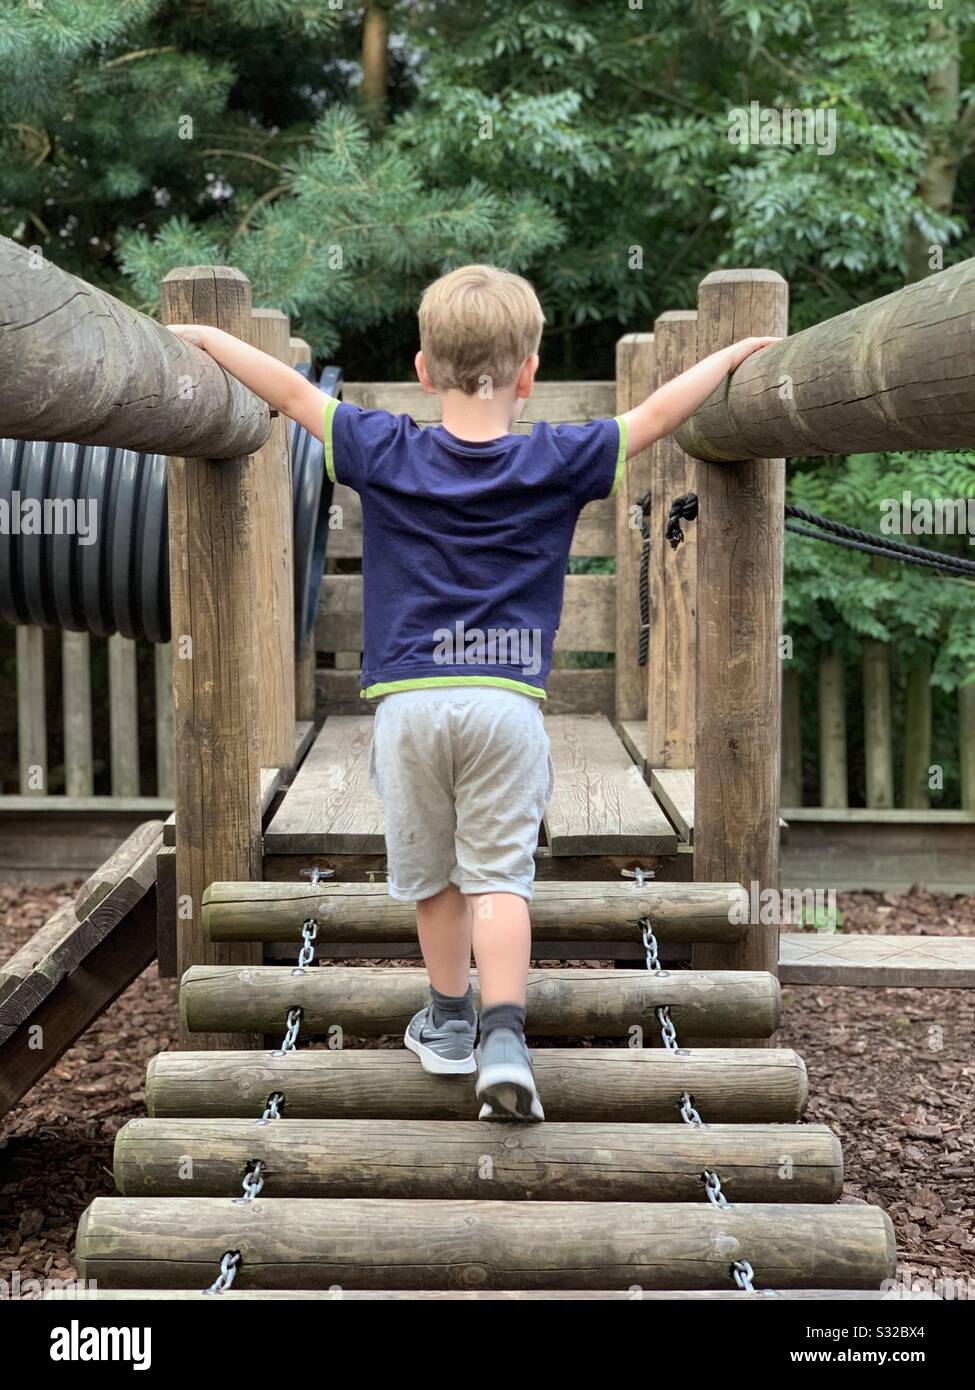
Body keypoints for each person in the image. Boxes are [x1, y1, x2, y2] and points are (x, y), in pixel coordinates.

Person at [169, 263, 776, 1122]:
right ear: (527, 374)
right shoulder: (561, 457)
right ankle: (503, 1036)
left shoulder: (383, 447)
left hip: (409, 708)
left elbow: (295, 397)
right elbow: (657, 417)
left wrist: (207, 339)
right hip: (505, 708)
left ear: (422, 369)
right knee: (499, 878)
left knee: (432, 878)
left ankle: (447, 1018)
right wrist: (731, 357)